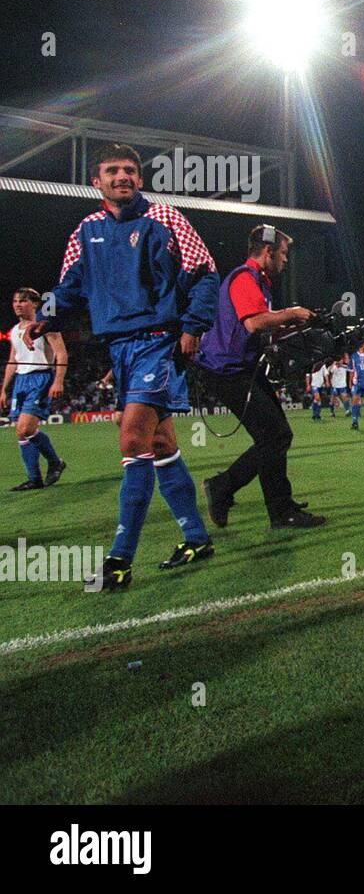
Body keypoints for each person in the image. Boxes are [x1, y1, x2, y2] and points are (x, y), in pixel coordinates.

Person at [26, 143, 218, 591]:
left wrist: (192, 326)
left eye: (130, 170)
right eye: (113, 171)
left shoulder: (167, 218)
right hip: (118, 346)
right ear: (97, 181)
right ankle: (196, 536)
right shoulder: (85, 231)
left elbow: (205, 273)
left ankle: (119, 560)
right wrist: (46, 316)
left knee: (132, 437)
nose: (123, 177)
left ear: (140, 178)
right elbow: (69, 287)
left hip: (159, 341)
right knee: (161, 441)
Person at [195, 225, 326, 530]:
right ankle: (231, 491)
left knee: (277, 436)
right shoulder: (244, 277)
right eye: (283, 253)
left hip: (238, 369)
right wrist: (293, 312)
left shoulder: (257, 281)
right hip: (227, 371)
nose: (286, 260)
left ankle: (276, 507)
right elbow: (254, 323)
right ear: (267, 252)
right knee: (274, 436)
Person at [2, 288, 68, 490]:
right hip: (21, 381)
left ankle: (55, 461)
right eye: (15, 301)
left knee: (26, 428)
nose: (17, 305)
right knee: (21, 433)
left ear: (35, 304)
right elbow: (13, 360)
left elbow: (61, 353)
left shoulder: (45, 325)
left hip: (40, 377)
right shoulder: (14, 330)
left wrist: (58, 380)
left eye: (22, 301)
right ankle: (34, 479)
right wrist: (3, 390)